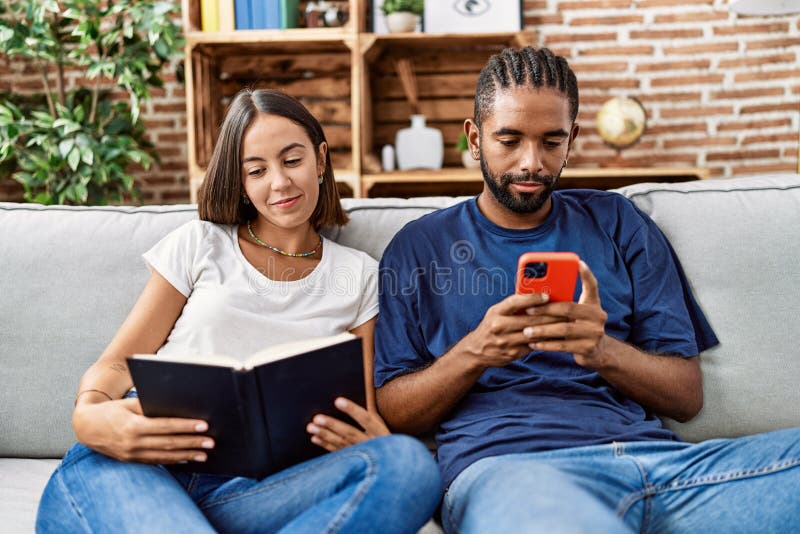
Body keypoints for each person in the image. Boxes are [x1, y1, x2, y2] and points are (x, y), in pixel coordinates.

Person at [373, 47, 800, 533]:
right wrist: (476, 351)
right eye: (509, 140)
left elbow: (685, 397)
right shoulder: (419, 247)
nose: (531, 163)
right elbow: (395, 411)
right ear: (474, 138)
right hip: (515, 473)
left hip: (654, 468)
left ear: (572, 139)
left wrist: (600, 350)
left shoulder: (619, 223)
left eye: (551, 142)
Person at [36, 88, 441, 534]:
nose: (280, 183)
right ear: (242, 181)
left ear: (320, 160)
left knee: (409, 464)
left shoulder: (360, 275)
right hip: (139, 463)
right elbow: (115, 364)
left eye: (292, 161)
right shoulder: (202, 243)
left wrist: (376, 443)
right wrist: (91, 415)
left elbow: (359, 406)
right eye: (257, 170)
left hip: (251, 491)